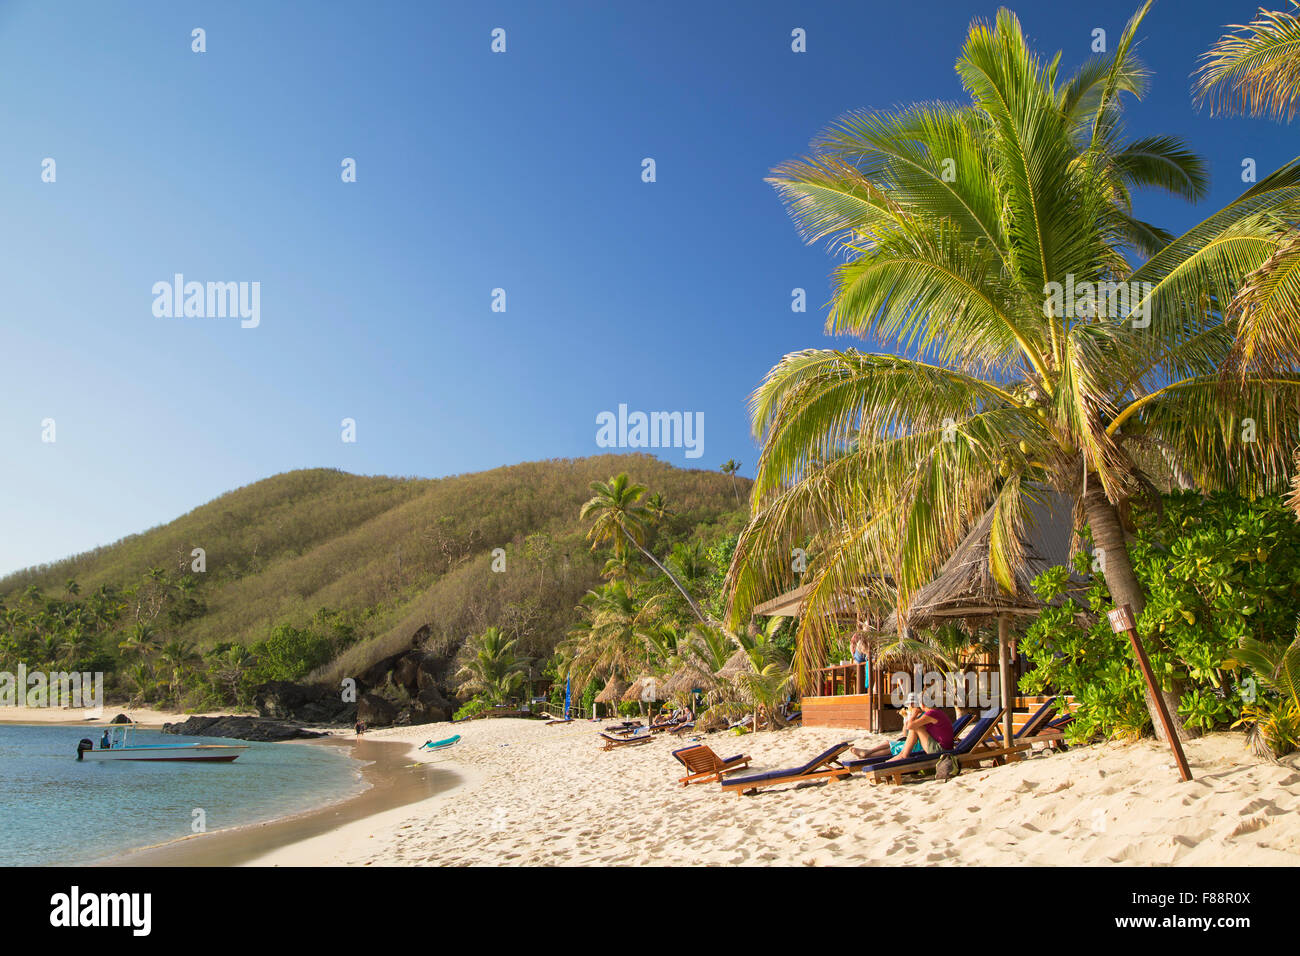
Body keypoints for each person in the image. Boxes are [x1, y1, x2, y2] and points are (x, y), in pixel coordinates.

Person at [850, 693, 955, 762]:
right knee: (917, 728)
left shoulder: (932, 713)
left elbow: (910, 726)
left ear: (922, 704)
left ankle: (903, 755)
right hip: (942, 747)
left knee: (916, 727)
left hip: (940, 750)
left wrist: (913, 714)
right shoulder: (936, 712)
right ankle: (902, 754)